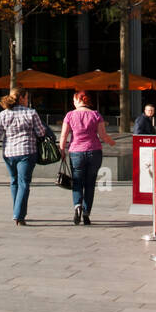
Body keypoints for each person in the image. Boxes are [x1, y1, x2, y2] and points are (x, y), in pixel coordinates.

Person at [0, 90, 46, 225]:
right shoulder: (31, 113)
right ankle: (19, 215)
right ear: (22, 98)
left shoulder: (3, 114)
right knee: (24, 183)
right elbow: (41, 133)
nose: (27, 100)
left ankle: (17, 210)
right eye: (26, 97)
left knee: (14, 181)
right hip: (26, 152)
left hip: (9, 153)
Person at [59, 90, 117, 225]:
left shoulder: (69, 115)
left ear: (79, 101)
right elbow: (103, 135)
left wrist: (62, 149)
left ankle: (77, 206)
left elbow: (63, 136)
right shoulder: (96, 115)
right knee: (90, 183)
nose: (73, 103)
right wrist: (112, 143)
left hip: (76, 152)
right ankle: (86, 212)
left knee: (77, 181)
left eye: (74, 100)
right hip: (94, 151)